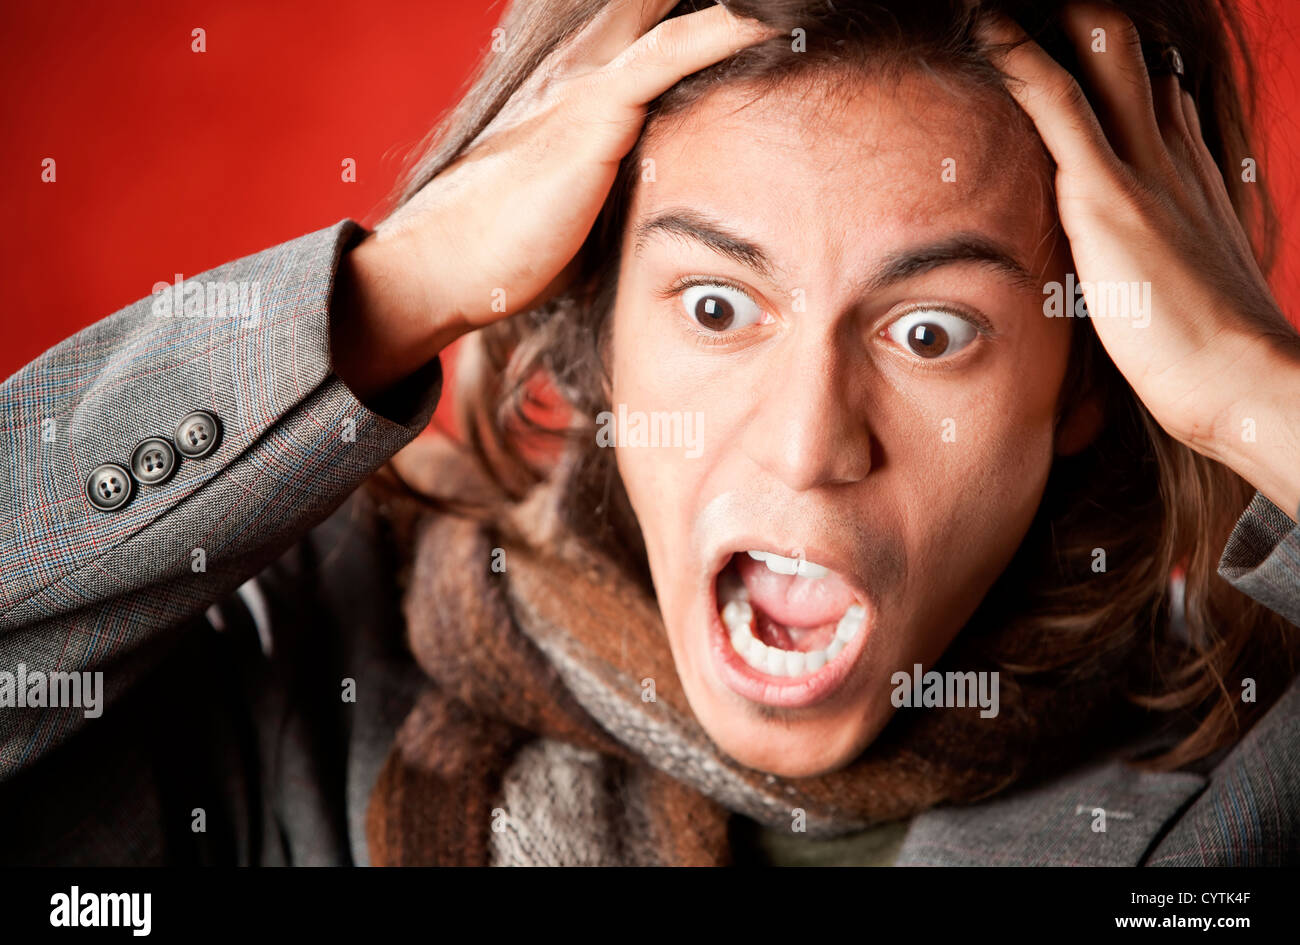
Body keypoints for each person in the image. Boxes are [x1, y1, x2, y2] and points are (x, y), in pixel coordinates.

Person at [2, 0, 1298, 866]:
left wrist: (1252, 390)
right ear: (596, 329)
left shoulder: (1235, 785)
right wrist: (396, 286)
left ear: (1087, 379)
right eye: (719, 305)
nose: (807, 445)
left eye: (931, 333)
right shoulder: (291, 694)